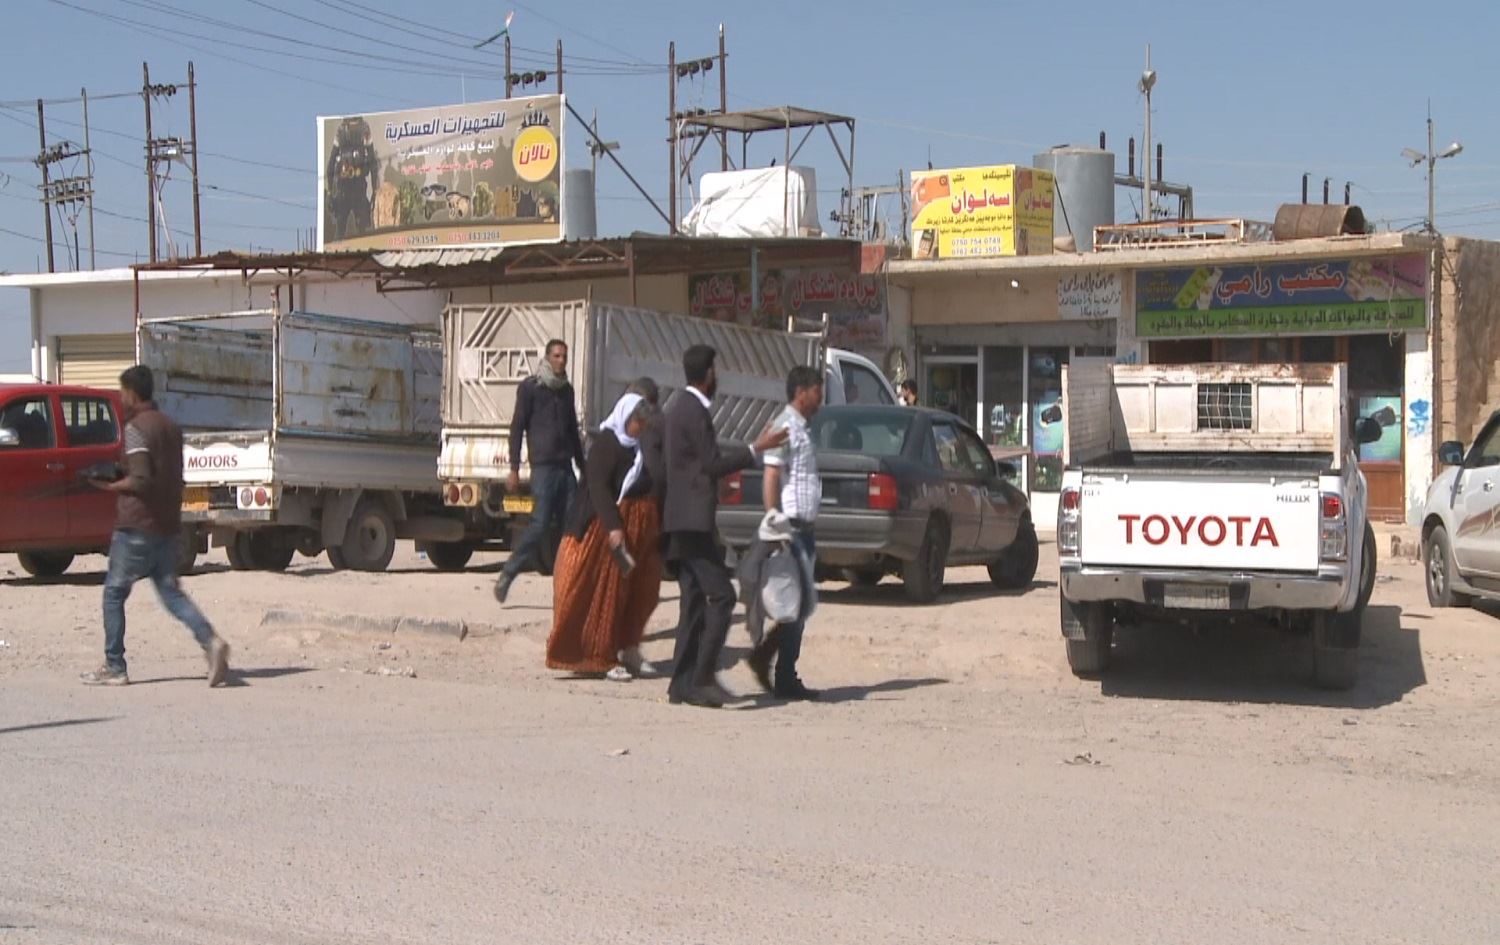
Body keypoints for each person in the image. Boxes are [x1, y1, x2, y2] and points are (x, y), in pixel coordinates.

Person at [81, 366, 230, 687]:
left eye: (122, 393)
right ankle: (211, 641)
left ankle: (114, 665)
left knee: (113, 593)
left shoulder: (136, 429)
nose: (120, 399)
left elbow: (141, 478)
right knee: (170, 593)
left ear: (132, 394)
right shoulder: (171, 427)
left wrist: (109, 486)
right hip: (167, 525)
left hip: (136, 524)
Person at [662, 344, 787, 708]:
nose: (718, 377)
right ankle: (702, 678)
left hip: (681, 519)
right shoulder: (694, 411)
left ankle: (681, 683)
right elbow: (712, 464)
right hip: (692, 522)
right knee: (722, 596)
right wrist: (756, 448)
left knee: (694, 601)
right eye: (716, 370)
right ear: (708, 375)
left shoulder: (677, 409)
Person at [545, 392, 665, 680]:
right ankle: (600, 656)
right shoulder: (607, 445)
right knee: (603, 594)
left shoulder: (638, 448)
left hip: (635, 531)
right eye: (637, 422)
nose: (640, 428)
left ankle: (629, 649)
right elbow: (599, 488)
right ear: (625, 418)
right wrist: (613, 527)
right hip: (600, 530)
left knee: (639, 593)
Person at [746, 366, 824, 700]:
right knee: (798, 602)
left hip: (804, 528)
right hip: (790, 529)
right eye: (818, 389)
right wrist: (773, 519)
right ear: (802, 391)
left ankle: (770, 661)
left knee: (800, 603)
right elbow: (771, 475)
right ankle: (781, 673)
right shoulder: (786, 426)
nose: (822, 396)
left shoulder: (803, 428)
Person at [494, 339, 585, 604]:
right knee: (540, 524)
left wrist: (583, 466)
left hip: (565, 468)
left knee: (572, 527)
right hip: (543, 469)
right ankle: (508, 574)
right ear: (547, 358)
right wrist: (513, 468)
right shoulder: (531, 388)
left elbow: (572, 432)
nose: (561, 361)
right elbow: (517, 428)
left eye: (564, 357)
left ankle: (569, 586)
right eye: (557, 356)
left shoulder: (566, 391)